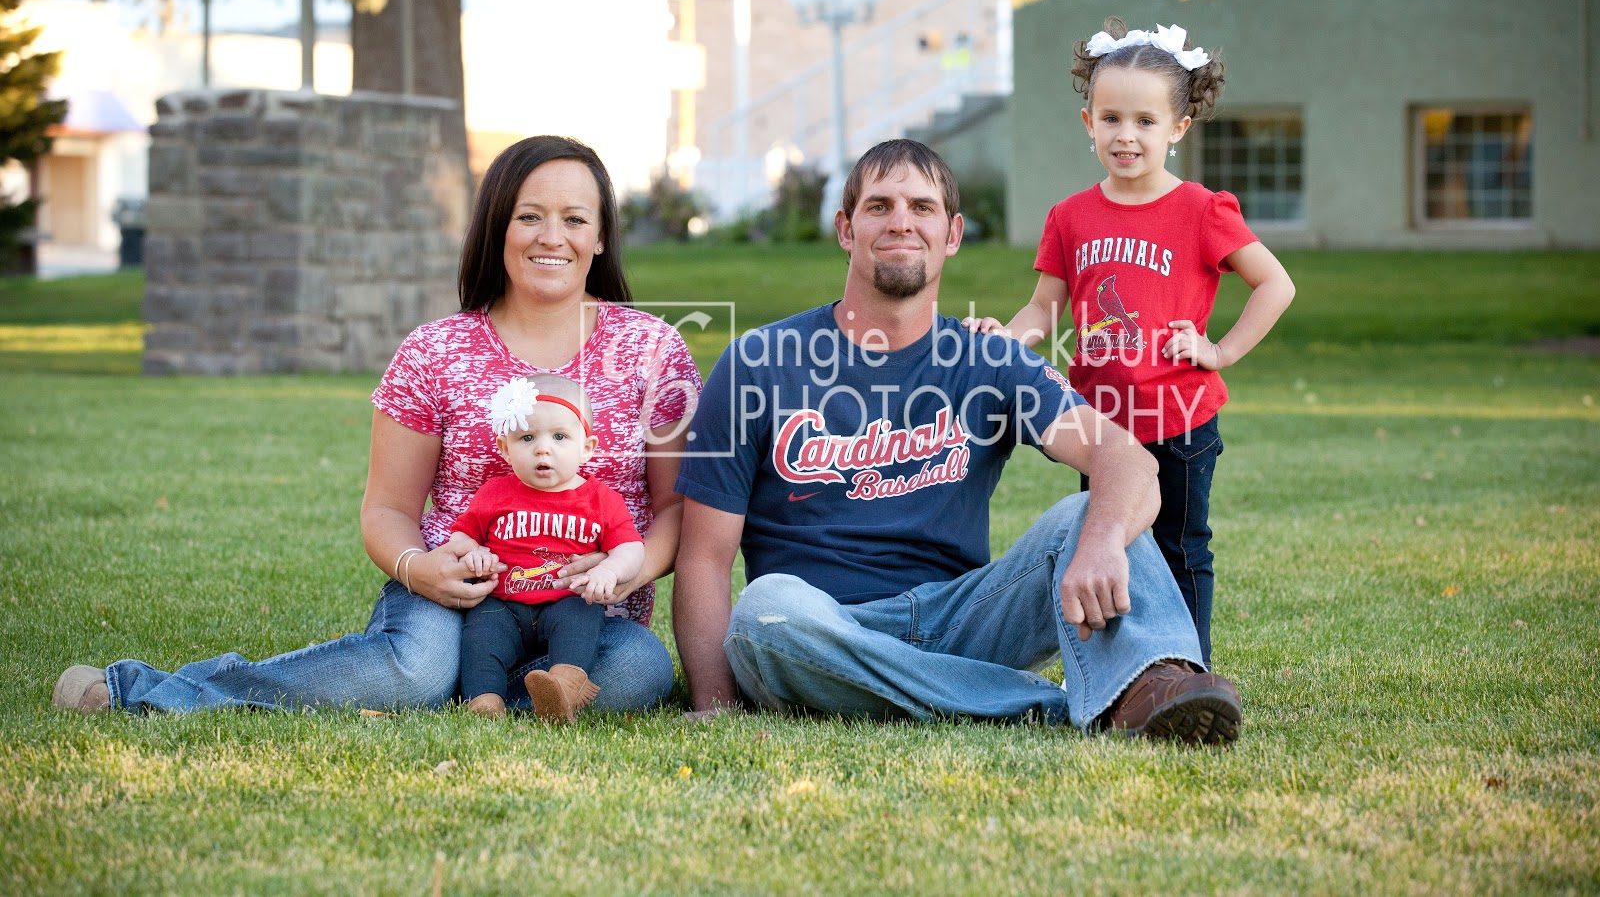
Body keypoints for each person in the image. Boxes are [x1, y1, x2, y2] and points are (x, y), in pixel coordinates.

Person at [52, 136, 702, 715]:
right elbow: (388, 507)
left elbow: (676, 508)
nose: (551, 237)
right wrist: (419, 569)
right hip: (456, 597)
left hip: (584, 615)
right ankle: (148, 691)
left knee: (638, 669)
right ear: (497, 228)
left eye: (574, 219)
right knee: (420, 664)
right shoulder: (433, 351)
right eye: (528, 216)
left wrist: (625, 569)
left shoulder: (653, 350)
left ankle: (459, 691)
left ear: (600, 237)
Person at [671, 138, 1244, 745]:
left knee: (1093, 510)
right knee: (764, 614)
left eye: (922, 207)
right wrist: (715, 703)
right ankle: (1061, 706)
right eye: (879, 206)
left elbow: (1126, 458)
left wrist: (1101, 541)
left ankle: (1160, 679)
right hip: (819, 625)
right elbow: (705, 556)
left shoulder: (987, 358)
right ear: (845, 229)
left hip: (964, 620)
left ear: (953, 233)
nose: (901, 222)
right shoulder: (759, 362)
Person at [964, 20, 1295, 663]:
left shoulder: (1202, 209)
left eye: (1146, 121)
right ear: (1088, 122)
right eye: (1111, 118)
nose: (1126, 135)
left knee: (1177, 547)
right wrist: (1004, 338)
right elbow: (1044, 308)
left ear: (1178, 128)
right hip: (1101, 423)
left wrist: (1219, 352)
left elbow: (1275, 285)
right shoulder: (1070, 216)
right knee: (1108, 545)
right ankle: (1125, 672)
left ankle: (1187, 670)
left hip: (1178, 416)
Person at [455, 375, 646, 721]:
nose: (543, 449)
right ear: (505, 448)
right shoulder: (495, 493)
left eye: (559, 437)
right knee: (481, 635)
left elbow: (631, 548)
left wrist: (609, 570)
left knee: (583, 616)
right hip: (503, 604)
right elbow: (461, 535)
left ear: (586, 447)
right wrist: (473, 552)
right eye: (527, 438)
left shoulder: (601, 500)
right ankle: (485, 701)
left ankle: (563, 690)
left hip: (567, 601)